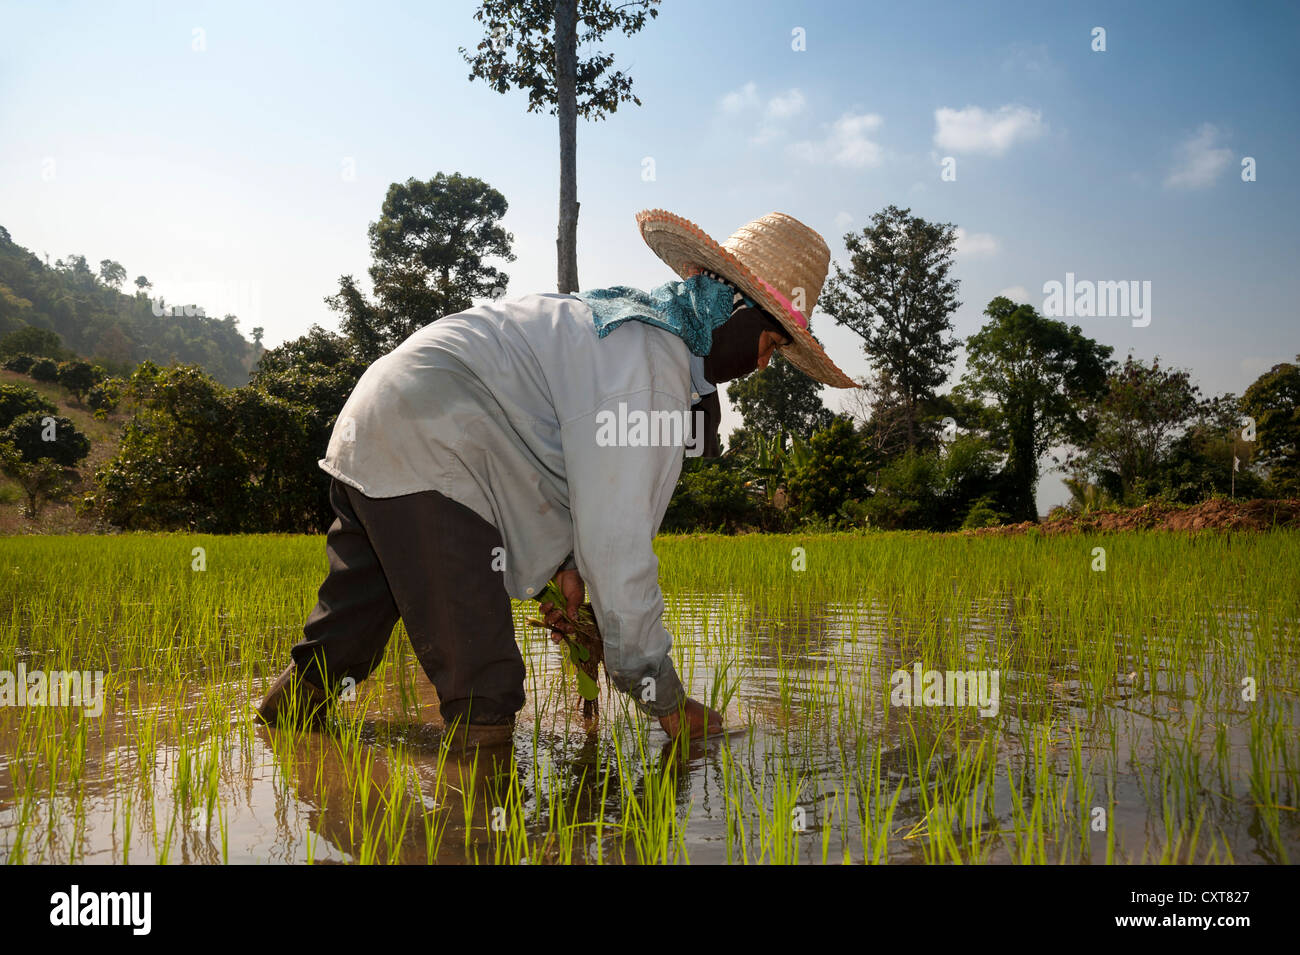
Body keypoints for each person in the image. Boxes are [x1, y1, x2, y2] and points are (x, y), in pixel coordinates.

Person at [255, 208, 858, 746]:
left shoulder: (626, 327)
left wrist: (565, 573)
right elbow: (620, 551)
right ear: (734, 308)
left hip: (374, 428)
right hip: (433, 443)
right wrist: (666, 702)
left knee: (342, 643)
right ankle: (469, 836)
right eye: (770, 343)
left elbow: (554, 464)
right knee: (483, 691)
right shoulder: (650, 371)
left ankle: (286, 755)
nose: (760, 364)